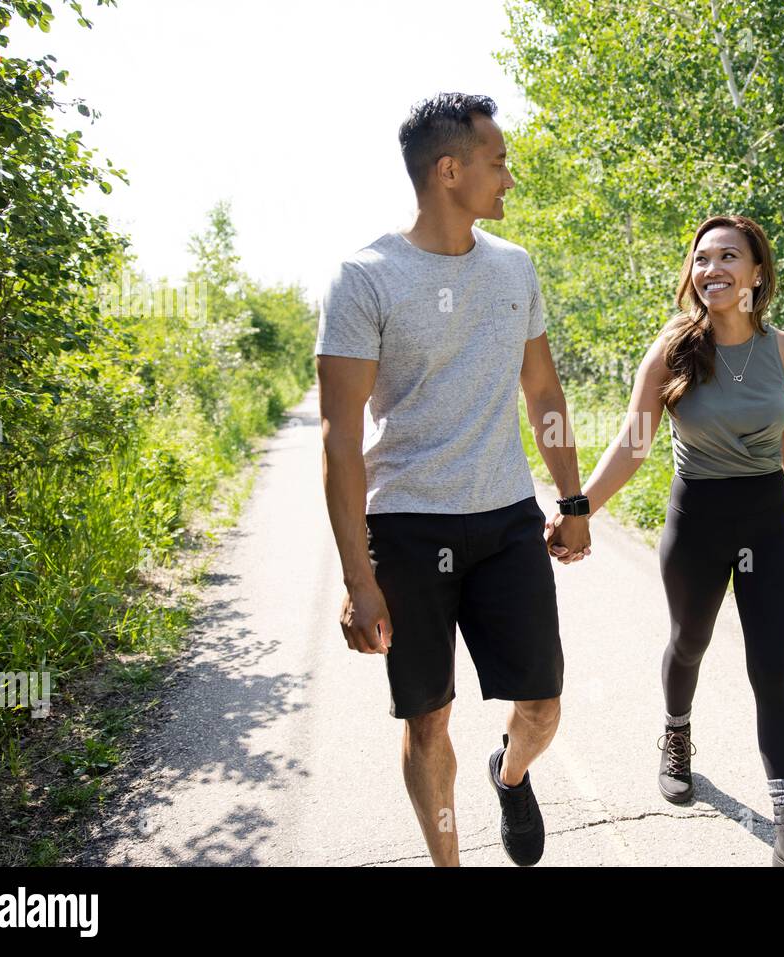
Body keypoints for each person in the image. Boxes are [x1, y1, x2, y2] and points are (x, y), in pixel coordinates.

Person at [315, 92, 591, 868]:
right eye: (498, 163)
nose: (510, 179)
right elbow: (339, 439)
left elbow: (544, 392)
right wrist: (358, 577)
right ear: (449, 170)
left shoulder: (514, 267)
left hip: (506, 519)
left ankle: (512, 773)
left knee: (541, 702)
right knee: (427, 719)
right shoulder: (365, 278)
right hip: (407, 527)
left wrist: (571, 501)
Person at [551, 214, 784, 866]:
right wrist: (579, 508)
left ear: (757, 273)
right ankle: (676, 735)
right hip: (696, 521)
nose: (712, 269)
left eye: (728, 256)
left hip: (765, 519)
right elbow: (633, 441)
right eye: (702, 258)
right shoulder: (676, 345)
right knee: (689, 642)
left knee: (772, 670)